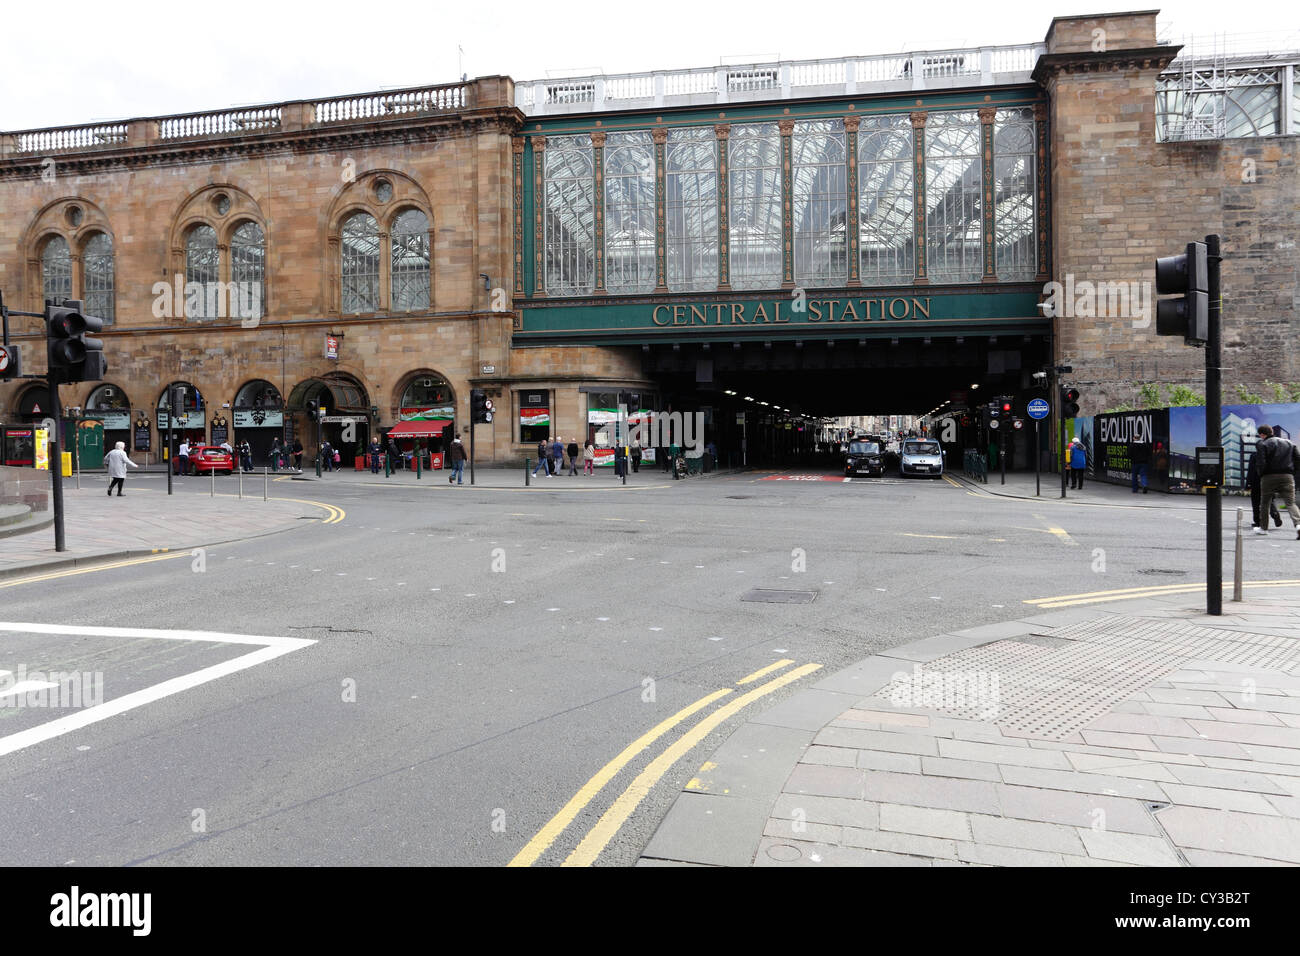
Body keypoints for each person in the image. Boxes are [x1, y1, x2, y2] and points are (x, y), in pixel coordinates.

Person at [1253, 425, 1300, 538]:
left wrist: (1261, 474)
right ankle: (1298, 525)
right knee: (1290, 503)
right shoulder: (1290, 443)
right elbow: (1298, 459)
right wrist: (1292, 472)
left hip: (1269, 477)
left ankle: (1263, 528)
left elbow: (1261, 462)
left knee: (1265, 503)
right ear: (1272, 431)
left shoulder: (1262, 444)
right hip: (1287, 476)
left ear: (1262, 434)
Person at [1247, 436, 1282, 531]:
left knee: (1256, 502)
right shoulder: (1272, 456)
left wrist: (1248, 484)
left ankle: (1257, 522)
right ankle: (1274, 513)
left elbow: (1250, 471)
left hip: (1256, 482)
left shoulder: (1254, 455)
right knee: (1270, 499)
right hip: (1270, 480)